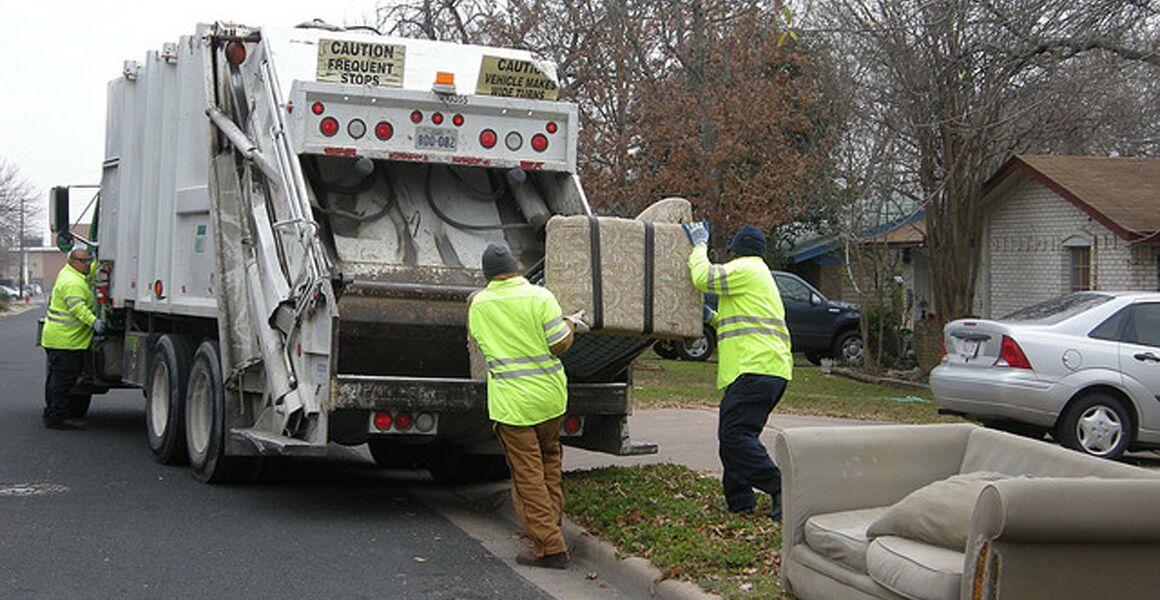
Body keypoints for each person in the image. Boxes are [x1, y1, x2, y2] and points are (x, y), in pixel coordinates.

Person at [467, 243, 586, 569]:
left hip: (512, 407)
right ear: (517, 267)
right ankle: (551, 532)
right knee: (549, 468)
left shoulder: (479, 305)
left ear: (488, 275)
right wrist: (571, 324)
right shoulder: (541, 297)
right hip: (550, 400)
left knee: (527, 478)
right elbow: (559, 343)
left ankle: (550, 548)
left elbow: (482, 344)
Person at [683, 222, 793, 520]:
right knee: (738, 436)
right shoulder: (758, 275)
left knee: (734, 437)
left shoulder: (746, 269)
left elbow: (702, 277)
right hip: (767, 369)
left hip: (755, 369)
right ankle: (740, 503)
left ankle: (781, 487)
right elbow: (738, 322)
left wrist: (698, 245)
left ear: (735, 252)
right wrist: (711, 317)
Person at [41, 246, 104, 431]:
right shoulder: (72, 283)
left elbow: (91, 271)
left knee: (56, 379)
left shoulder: (71, 274)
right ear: (73, 262)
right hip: (65, 341)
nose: (88, 265)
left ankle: (51, 413)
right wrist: (94, 322)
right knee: (63, 381)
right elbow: (78, 309)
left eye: (88, 261)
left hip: (60, 339)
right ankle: (57, 418)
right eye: (84, 262)